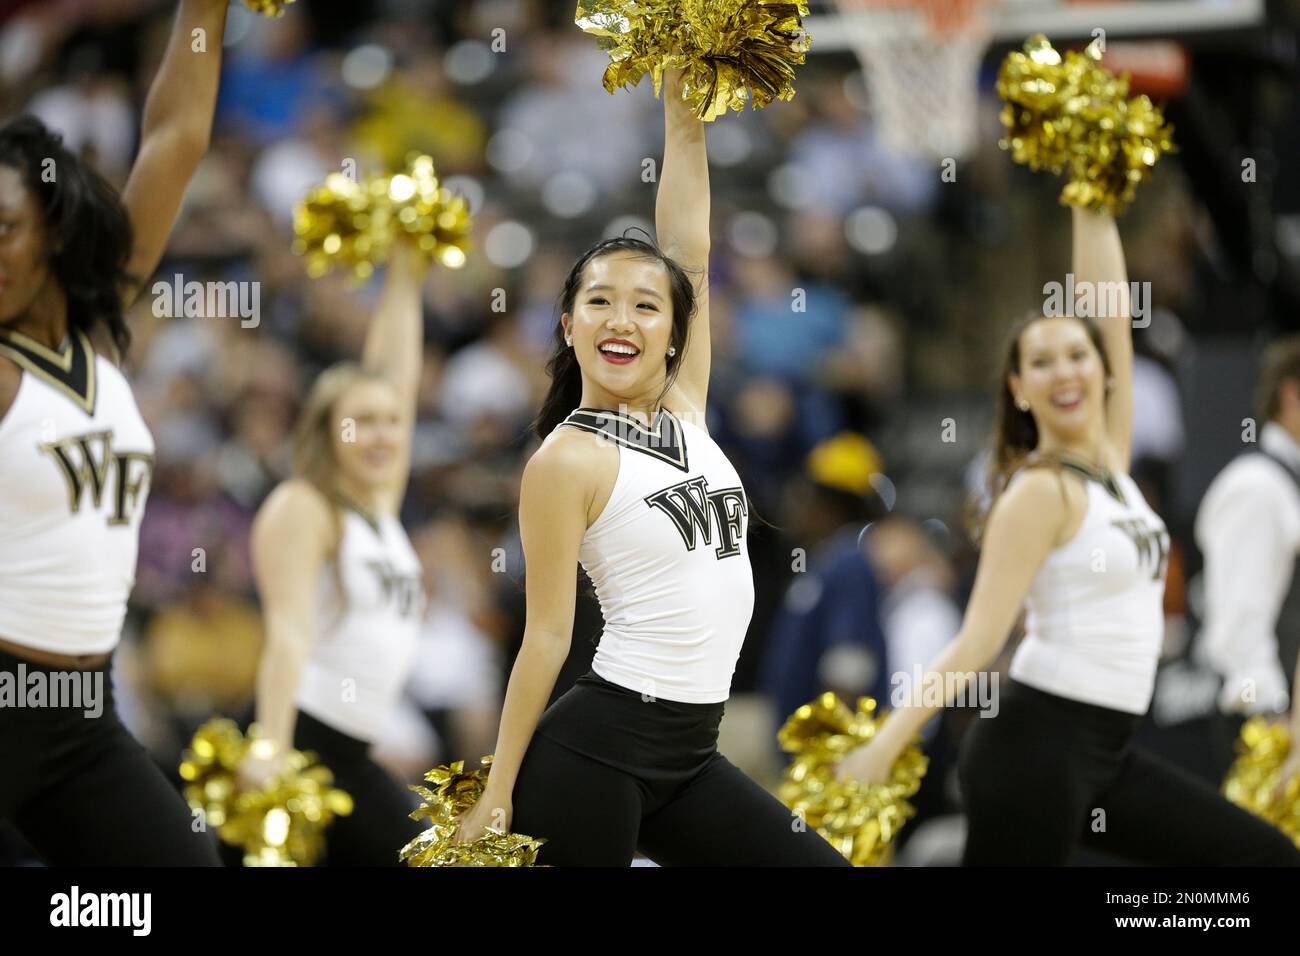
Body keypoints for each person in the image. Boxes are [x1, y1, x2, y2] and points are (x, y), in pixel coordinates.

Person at [451, 68, 848, 866]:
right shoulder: (565, 459)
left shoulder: (685, 406)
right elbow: (547, 638)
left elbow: (688, 248)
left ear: (674, 330)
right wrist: (498, 788)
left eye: (646, 303)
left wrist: (684, 119)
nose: (621, 318)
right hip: (598, 749)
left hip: (692, 751)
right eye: (599, 301)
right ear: (568, 325)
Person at [839, 206, 1300, 866]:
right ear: (1020, 389)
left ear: (1103, 370)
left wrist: (1092, 193)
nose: (1065, 372)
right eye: (1043, 363)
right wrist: (885, 747)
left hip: (1108, 752)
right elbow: (977, 640)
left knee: (1263, 860)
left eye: (1077, 355)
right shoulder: (1037, 491)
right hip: (1032, 746)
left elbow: (1108, 306)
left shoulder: (1110, 461)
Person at [0, 0, 228, 866]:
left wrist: (205, 8)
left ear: (57, 231)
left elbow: (175, 137)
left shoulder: (97, 329)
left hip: (82, 713)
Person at [236, 242, 429, 866]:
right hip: (301, 740)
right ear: (329, 431)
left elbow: (396, 372)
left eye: (392, 422)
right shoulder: (304, 505)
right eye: (362, 422)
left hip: (352, 751)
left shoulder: (377, 508)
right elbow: (288, 634)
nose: (383, 435)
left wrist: (407, 266)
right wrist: (270, 750)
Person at [1195, 335, 1300, 791]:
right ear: (1292, 394)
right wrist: (1274, 726)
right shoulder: (1256, 485)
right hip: (1273, 737)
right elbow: (1239, 621)